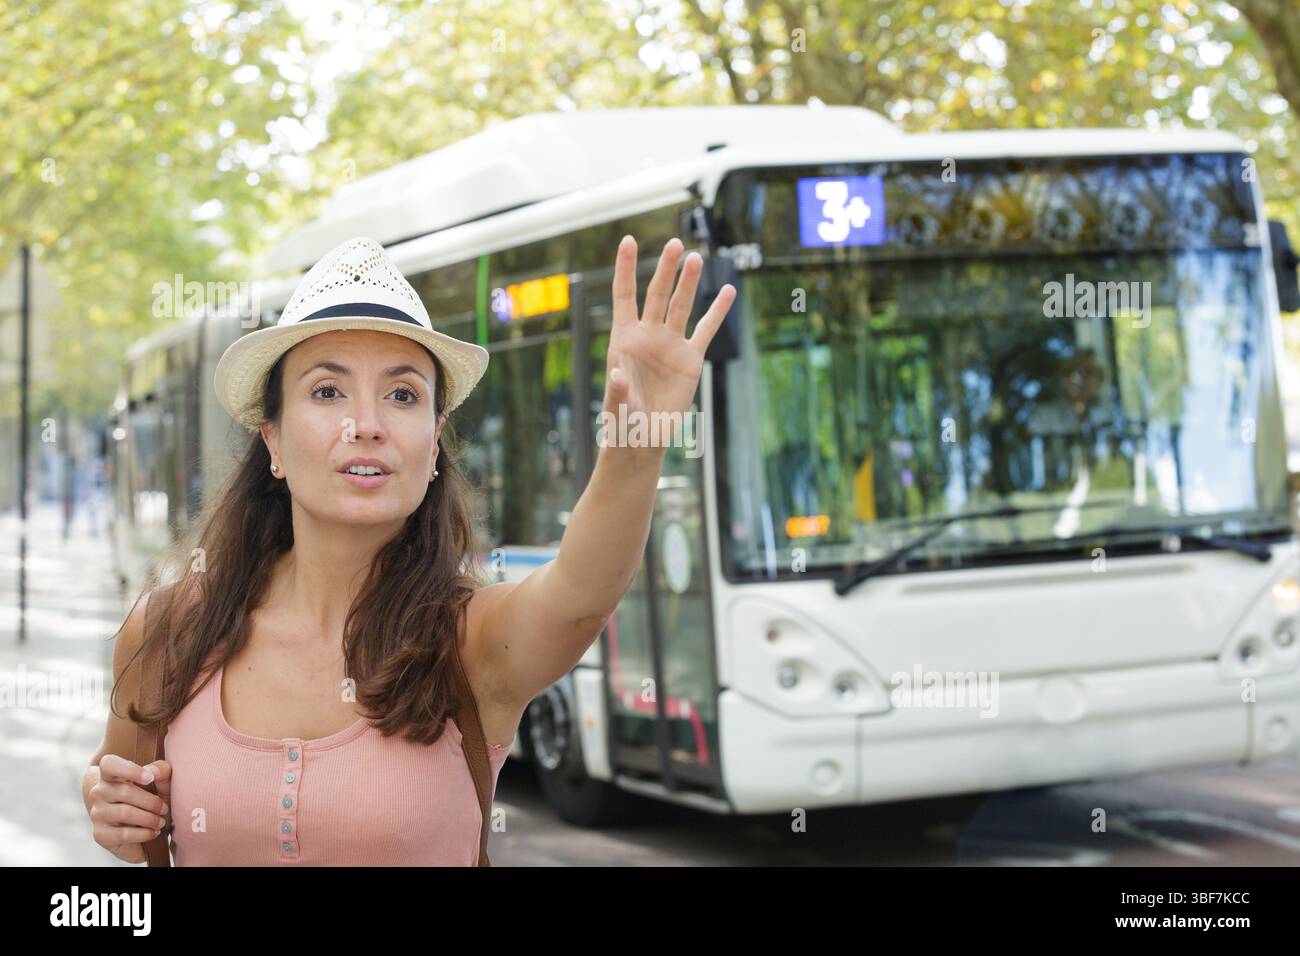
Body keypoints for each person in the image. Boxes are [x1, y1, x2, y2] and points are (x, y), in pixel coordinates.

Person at [81, 234, 734, 865]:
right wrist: (113, 809)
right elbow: (126, 806)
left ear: (433, 447)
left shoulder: (472, 642)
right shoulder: (168, 632)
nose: (366, 424)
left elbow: (580, 596)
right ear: (272, 440)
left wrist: (635, 445)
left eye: (402, 395)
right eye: (327, 391)